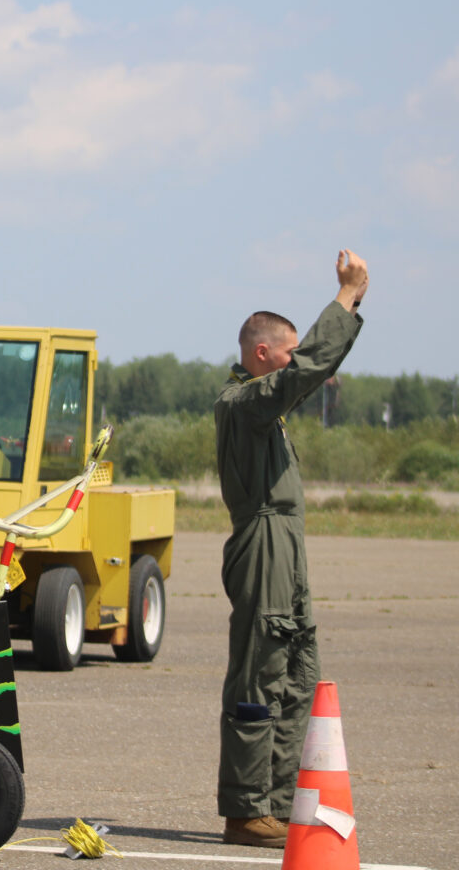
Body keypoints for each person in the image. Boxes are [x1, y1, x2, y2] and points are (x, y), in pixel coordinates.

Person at [214, 249, 368, 848]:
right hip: (263, 548)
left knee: (297, 673)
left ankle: (277, 803)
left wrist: (353, 304)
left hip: (288, 550)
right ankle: (246, 809)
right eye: (285, 352)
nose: (295, 366)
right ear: (261, 355)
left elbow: (309, 368)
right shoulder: (243, 403)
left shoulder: (265, 408)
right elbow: (307, 369)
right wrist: (345, 299)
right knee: (259, 677)